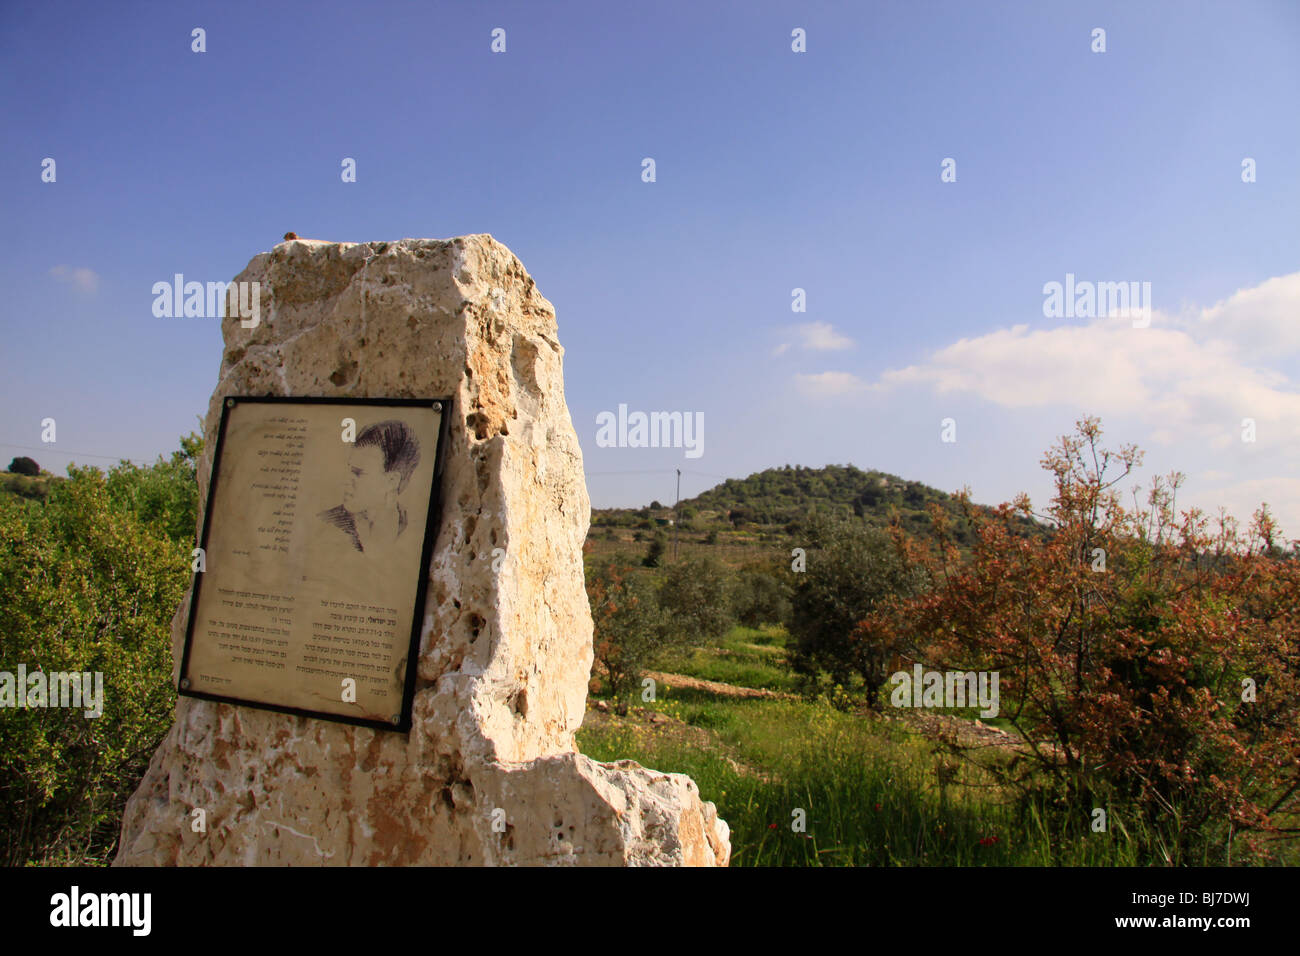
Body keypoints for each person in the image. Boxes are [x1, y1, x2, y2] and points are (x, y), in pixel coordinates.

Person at [317, 420, 420, 553]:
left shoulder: (412, 529)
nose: (346, 481)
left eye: (358, 473)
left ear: (392, 481)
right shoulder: (327, 524)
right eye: (349, 471)